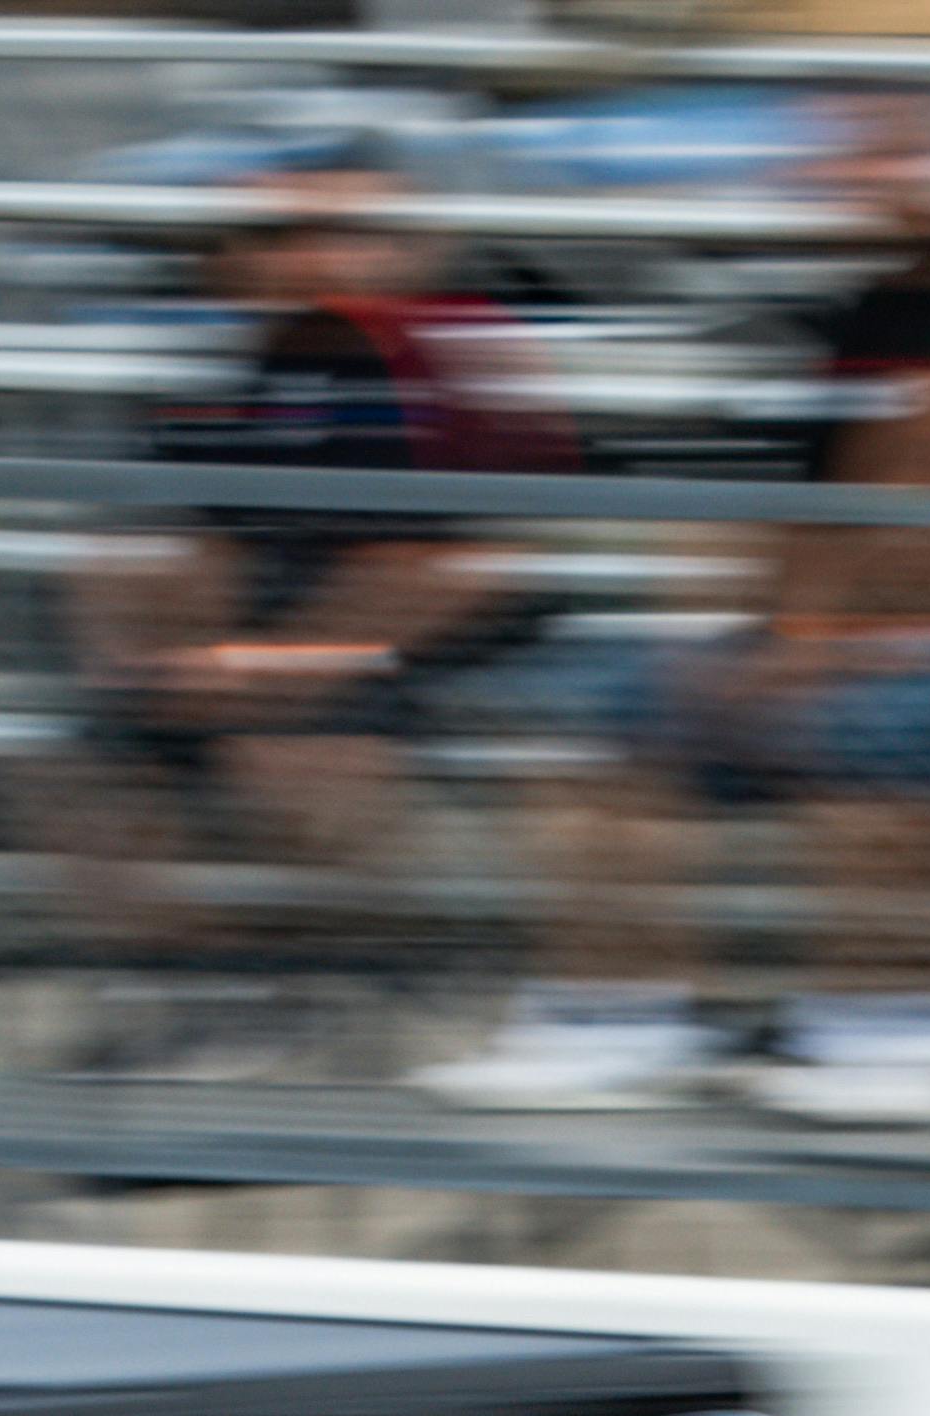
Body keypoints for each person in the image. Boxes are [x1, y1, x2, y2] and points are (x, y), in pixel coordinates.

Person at [415, 96, 930, 1128]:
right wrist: (744, 636)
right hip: (829, 628)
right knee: (593, 731)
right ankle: (618, 1018)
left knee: (873, 739)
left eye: (891, 157)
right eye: (847, 160)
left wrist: (804, 648)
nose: (858, 180)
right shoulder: (854, 315)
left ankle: (896, 1034)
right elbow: (781, 512)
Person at [47, 148, 554, 1058]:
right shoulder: (225, 377)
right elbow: (153, 542)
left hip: (427, 648)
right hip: (265, 646)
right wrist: (160, 658)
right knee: (86, 763)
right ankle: (192, 996)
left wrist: (253, 673)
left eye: (348, 235)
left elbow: (458, 571)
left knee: (294, 764)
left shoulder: (456, 364)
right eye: (279, 237)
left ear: (415, 253)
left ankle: (335, 1008)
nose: (312, 260)